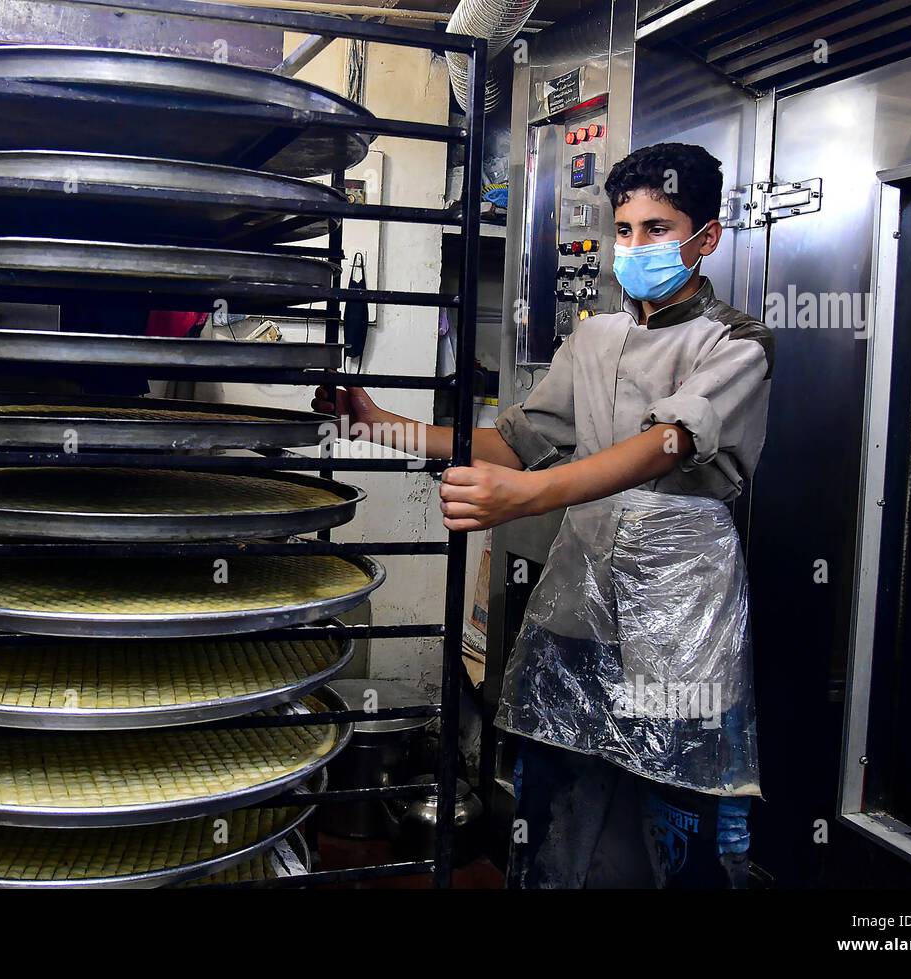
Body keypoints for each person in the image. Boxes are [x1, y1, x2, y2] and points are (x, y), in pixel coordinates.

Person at [314, 142, 774, 889]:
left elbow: (668, 443)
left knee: (674, 795)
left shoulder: (737, 344)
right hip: (582, 593)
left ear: (706, 237)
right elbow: (514, 442)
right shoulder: (593, 338)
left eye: (657, 229)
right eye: (623, 230)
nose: (634, 247)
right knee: (558, 775)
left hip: (680, 610)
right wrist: (379, 424)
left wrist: (529, 498)